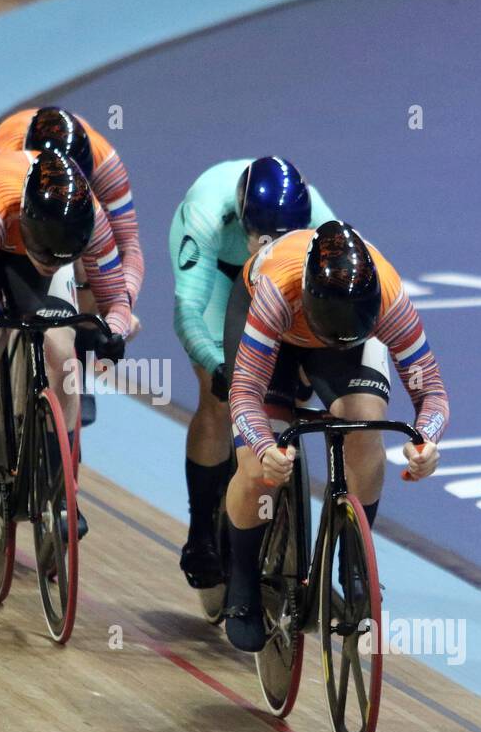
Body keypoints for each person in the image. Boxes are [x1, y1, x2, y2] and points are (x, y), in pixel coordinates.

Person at [220, 221, 448, 652]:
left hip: (341, 338)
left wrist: (427, 440)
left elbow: (431, 393)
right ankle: (243, 582)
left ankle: (353, 563)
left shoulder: (390, 300)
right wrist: (265, 447)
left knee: (364, 425)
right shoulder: (275, 292)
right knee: (257, 471)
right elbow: (245, 393)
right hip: (277, 332)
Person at [0, 150, 131, 535]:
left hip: (31, 239)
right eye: (47, 256)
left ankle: (62, 493)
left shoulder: (92, 220)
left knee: (64, 357)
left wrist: (114, 332)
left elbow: (115, 302)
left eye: (64, 259)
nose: (53, 265)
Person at [170, 157, 336, 590]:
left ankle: (273, 514)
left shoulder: (322, 222)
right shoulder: (207, 211)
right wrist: (218, 364)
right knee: (218, 396)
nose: (273, 251)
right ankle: (201, 535)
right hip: (222, 276)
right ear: (243, 223)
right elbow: (188, 311)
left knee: (290, 395)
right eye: (265, 241)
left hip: (286, 288)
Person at [0, 107, 144, 425]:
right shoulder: (5, 157)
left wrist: (121, 305)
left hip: (63, 215)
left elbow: (129, 248)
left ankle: (76, 371)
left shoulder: (107, 166)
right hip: (10, 207)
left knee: (92, 261)